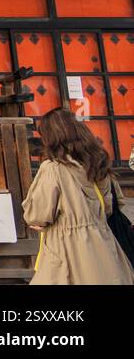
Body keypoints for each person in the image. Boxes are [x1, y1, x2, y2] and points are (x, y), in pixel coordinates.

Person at [22, 107, 134, 285]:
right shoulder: (99, 165)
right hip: (107, 251)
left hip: (67, 252)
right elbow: (113, 206)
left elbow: (37, 214)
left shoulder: (53, 168)